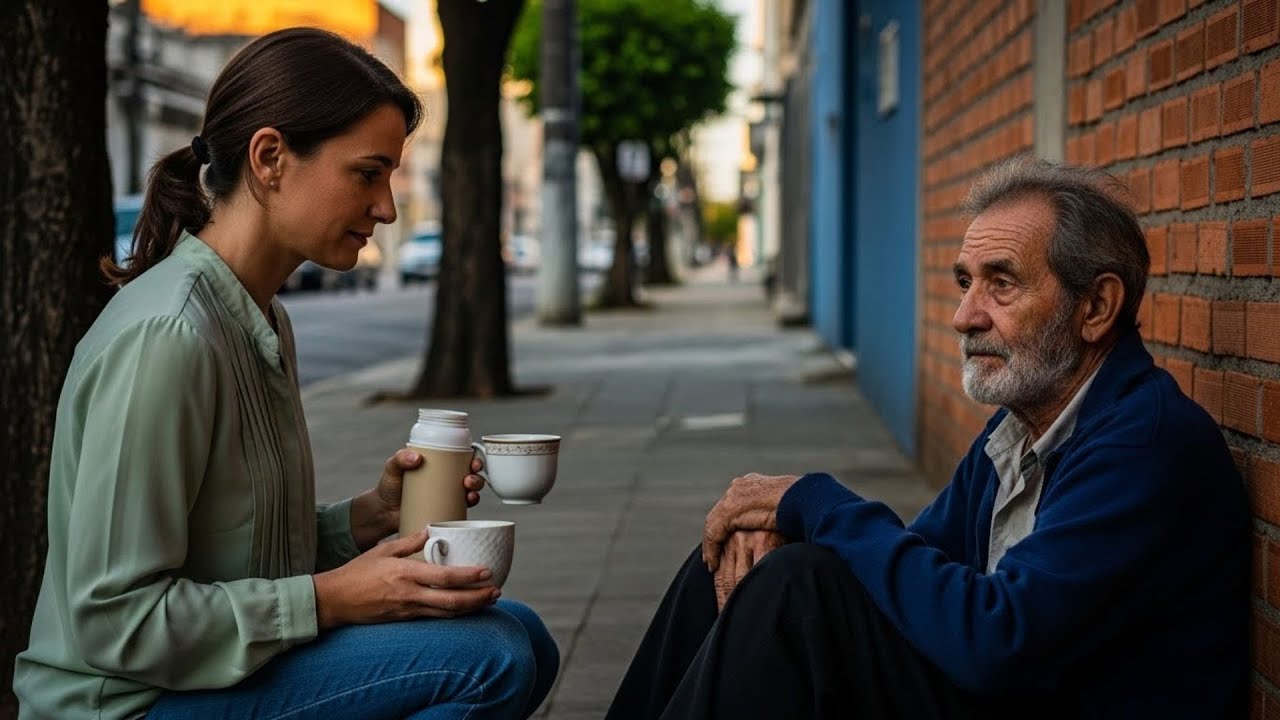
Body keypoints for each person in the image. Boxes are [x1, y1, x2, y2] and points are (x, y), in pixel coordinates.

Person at [14, 28, 557, 720]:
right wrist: (330, 599)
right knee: (490, 659)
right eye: (367, 173)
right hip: (127, 704)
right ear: (270, 157)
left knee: (526, 636)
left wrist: (369, 519)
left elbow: (235, 558)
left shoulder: (260, 317)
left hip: (205, 682)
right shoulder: (169, 335)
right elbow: (114, 621)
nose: (387, 208)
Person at [605, 158, 1250, 719]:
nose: (966, 317)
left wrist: (818, 503)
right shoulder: (1022, 426)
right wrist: (788, 525)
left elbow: (998, 643)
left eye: (1002, 282)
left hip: (1043, 701)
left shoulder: (1142, 446)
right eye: (966, 282)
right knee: (744, 558)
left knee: (798, 588)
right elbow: (917, 562)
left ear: (1095, 308)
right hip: (1005, 694)